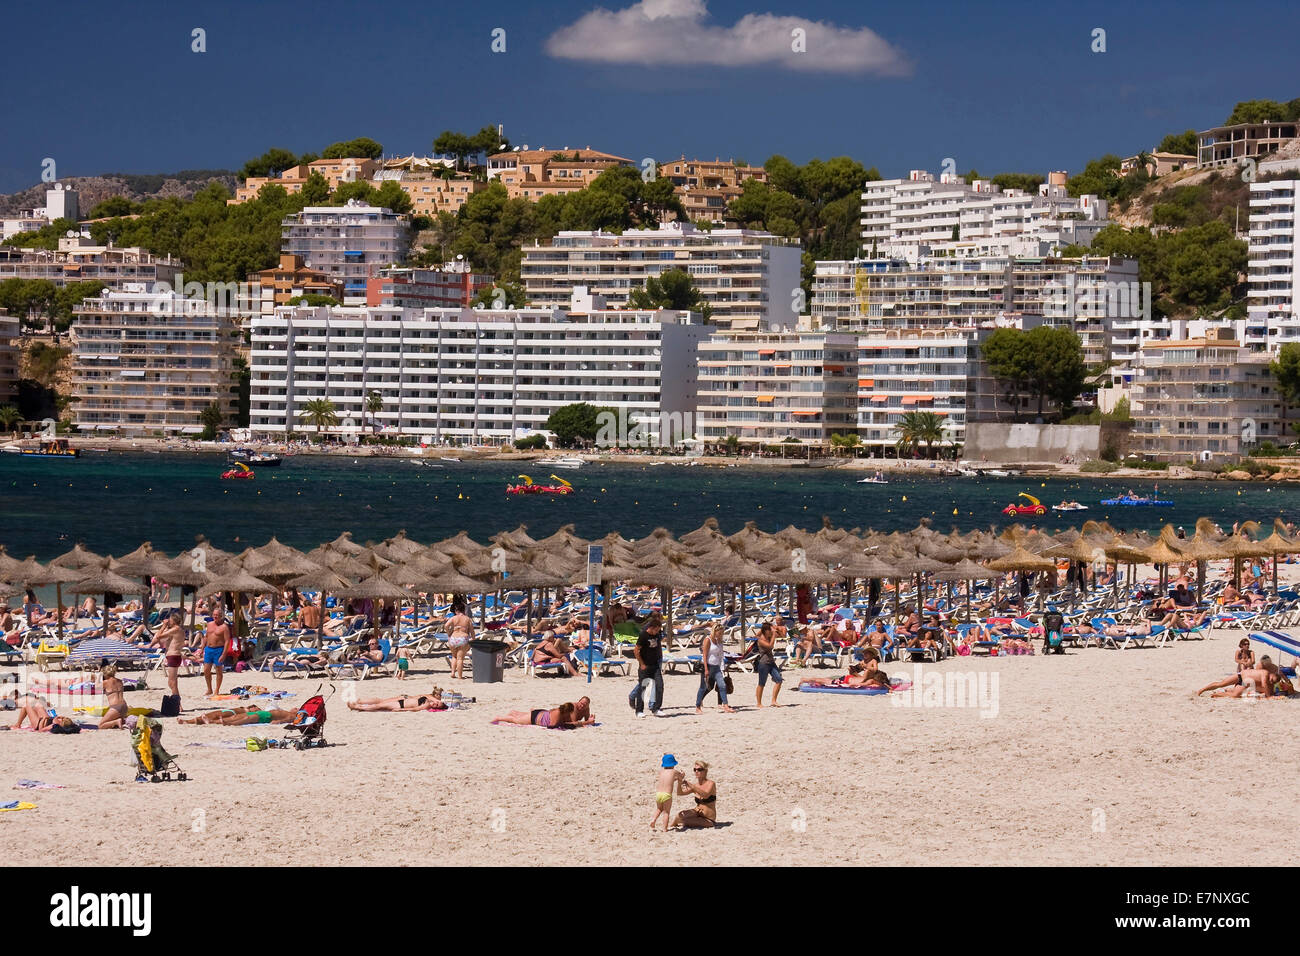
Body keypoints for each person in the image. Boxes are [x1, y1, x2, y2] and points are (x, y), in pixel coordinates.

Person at [629, 614, 665, 717]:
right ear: (651, 628)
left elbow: (658, 648)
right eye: (656, 630)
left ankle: (656, 708)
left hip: (655, 665)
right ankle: (639, 710)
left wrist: (659, 660)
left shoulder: (657, 635)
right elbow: (636, 650)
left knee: (660, 686)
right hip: (645, 665)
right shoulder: (643, 635)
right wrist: (642, 664)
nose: (657, 632)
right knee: (643, 687)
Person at [696, 623, 735, 714]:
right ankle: (698, 706)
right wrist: (706, 669)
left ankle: (725, 705)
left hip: (716, 667)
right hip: (708, 666)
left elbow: (721, 655)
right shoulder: (707, 640)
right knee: (703, 687)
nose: (721, 635)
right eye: (719, 633)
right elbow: (704, 655)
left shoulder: (719, 641)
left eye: (722, 633)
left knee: (722, 685)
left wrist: (723, 667)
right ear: (715, 631)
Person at [152, 610, 187, 703]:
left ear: (174, 621)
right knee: (172, 682)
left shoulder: (175, 629)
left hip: (173, 656)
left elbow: (158, 636)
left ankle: (178, 703)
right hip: (173, 656)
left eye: (170, 620)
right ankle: (177, 703)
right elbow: (163, 640)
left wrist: (163, 626)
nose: (169, 622)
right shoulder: (177, 630)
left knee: (172, 682)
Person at [672, 760, 718, 830]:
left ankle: (674, 825)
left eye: (699, 769)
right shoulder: (696, 785)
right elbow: (680, 793)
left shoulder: (711, 783)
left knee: (685, 821)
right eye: (695, 769)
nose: (696, 771)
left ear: (705, 771)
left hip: (708, 819)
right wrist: (679, 781)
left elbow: (705, 795)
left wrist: (691, 786)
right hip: (697, 813)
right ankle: (671, 826)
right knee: (679, 815)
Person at [492, 698, 592, 728]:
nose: (582, 706)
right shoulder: (572, 707)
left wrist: (588, 721)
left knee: (524, 716)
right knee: (515, 720)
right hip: (536, 717)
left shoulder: (585, 709)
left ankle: (514, 712)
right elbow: (552, 725)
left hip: (543, 713)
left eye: (585, 705)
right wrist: (585, 723)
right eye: (581, 703)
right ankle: (499, 718)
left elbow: (585, 720)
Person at [753, 621, 783, 708]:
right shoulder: (761, 640)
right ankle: (759, 703)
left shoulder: (770, 636)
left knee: (779, 680)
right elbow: (770, 646)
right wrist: (773, 635)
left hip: (771, 662)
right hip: (763, 663)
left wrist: (777, 630)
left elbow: (782, 636)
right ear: (766, 631)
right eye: (770, 630)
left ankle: (774, 700)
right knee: (761, 683)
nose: (771, 632)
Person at [652, 754, 685, 832]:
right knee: (666, 812)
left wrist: (676, 779)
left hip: (658, 794)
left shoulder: (661, 772)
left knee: (659, 809)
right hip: (667, 795)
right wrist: (682, 775)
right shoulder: (674, 771)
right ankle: (664, 828)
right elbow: (681, 777)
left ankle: (653, 820)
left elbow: (669, 781)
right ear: (673, 764)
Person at [178, 705, 298, 725]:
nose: (296, 708)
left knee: (246, 718)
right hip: (263, 713)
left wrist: (278, 722)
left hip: (266, 716)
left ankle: (226, 723)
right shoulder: (287, 711)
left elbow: (285, 720)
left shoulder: (292, 715)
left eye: (297, 709)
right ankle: (190, 721)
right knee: (234, 716)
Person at [445, 600, 474, 681]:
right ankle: (460, 676)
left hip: (453, 638)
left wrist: (449, 632)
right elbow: (472, 631)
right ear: (464, 610)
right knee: (460, 658)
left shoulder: (453, 618)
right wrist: (473, 639)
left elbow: (446, 625)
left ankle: (453, 673)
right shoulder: (467, 619)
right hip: (463, 638)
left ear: (456, 610)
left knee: (454, 656)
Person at [349, 688, 447, 712]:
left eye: (437, 705)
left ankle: (358, 706)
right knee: (380, 702)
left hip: (401, 705)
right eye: (437, 702)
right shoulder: (430, 699)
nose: (436, 703)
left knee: (380, 705)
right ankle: (359, 702)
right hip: (403, 699)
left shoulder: (427, 704)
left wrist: (400, 710)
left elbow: (415, 709)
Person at [98, 664, 127, 729]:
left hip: (115, 707)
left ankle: (117, 721)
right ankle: (120, 721)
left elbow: (96, 687)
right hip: (124, 707)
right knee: (110, 720)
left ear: (105, 674)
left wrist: (98, 677)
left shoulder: (106, 682)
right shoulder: (120, 681)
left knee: (101, 725)